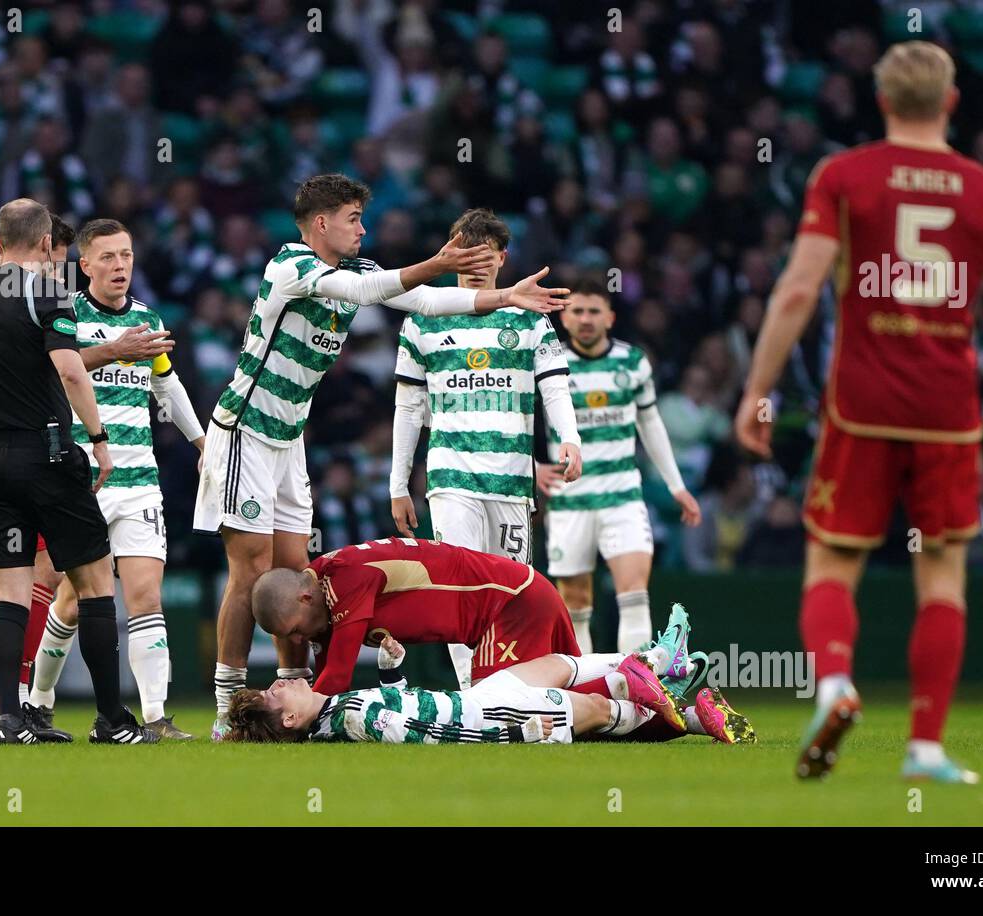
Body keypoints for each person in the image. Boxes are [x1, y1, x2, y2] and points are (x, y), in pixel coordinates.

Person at [734, 42, 983, 783]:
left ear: (880, 101)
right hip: (949, 412)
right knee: (942, 578)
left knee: (832, 563)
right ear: (951, 103)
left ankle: (836, 685)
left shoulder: (843, 177)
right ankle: (926, 748)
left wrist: (758, 390)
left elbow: (800, 290)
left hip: (862, 406)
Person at [194, 173, 569, 739]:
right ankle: (227, 709)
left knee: (297, 576)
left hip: (290, 438)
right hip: (245, 429)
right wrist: (439, 261)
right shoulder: (290, 267)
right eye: (353, 220)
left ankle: (304, 698)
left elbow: (421, 299)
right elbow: (374, 295)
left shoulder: (360, 270)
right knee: (250, 571)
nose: (363, 230)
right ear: (322, 224)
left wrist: (503, 296)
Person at [0, 197, 156, 744]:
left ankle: (10, 720)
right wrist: (98, 438)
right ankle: (112, 720)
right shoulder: (48, 290)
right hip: (47, 453)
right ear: (46, 243)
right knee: (93, 585)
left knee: (11, 592)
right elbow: (70, 371)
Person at [390, 208, 583, 688]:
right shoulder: (423, 319)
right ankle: (475, 695)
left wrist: (570, 437)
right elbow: (409, 409)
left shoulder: (530, 319)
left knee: (516, 592)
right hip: (451, 479)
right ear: (451, 256)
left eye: (485, 258)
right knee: (460, 591)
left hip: (512, 481)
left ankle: (518, 690)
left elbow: (554, 387)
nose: (475, 268)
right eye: (465, 257)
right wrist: (397, 484)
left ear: (502, 257)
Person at [26, 218, 204, 740]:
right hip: (82, 477)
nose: (120, 265)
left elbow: (167, 388)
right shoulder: (67, 314)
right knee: (72, 599)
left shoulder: (147, 320)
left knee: (146, 595)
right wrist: (116, 350)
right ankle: (38, 701)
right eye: (107, 257)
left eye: (125, 255)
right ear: (84, 266)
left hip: (139, 479)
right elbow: (51, 369)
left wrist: (201, 444)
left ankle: (155, 717)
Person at [250, 536, 696, 700]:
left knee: (497, 705)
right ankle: (666, 695)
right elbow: (327, 664)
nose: (300, 641)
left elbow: (336, 677)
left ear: (306, 598)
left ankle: (652, 664)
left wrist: (286, 722)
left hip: (512, 604)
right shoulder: (326, 588)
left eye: (294, 631)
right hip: (521, 594)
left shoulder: (345, 583)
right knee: (568, 693)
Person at [535, 281, 702, 653]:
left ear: (610, 317)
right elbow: (519, 416)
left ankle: (636, 696)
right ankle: (584, 691)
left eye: (594, 311)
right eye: (577, 311)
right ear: (564, 316)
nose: (585, 319)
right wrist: (533, 466)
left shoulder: (633, 362)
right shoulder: (549, 361)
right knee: (576, 603)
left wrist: (676, 486)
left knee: (634, 592)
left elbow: (651, 424)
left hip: (623, 496)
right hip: (569, 499)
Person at [225, 635, 752, 745]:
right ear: (290, 721)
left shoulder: (342, 708)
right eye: (276, 695)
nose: (283, 681)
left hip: (474, 700)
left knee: (553, 665)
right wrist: (513, 734)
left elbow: (404, 706)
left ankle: (660, 664)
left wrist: (390, 674)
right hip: (487, 715)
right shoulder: (349, 719)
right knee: (592, 708)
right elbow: (428, 731)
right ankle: (677, 713)